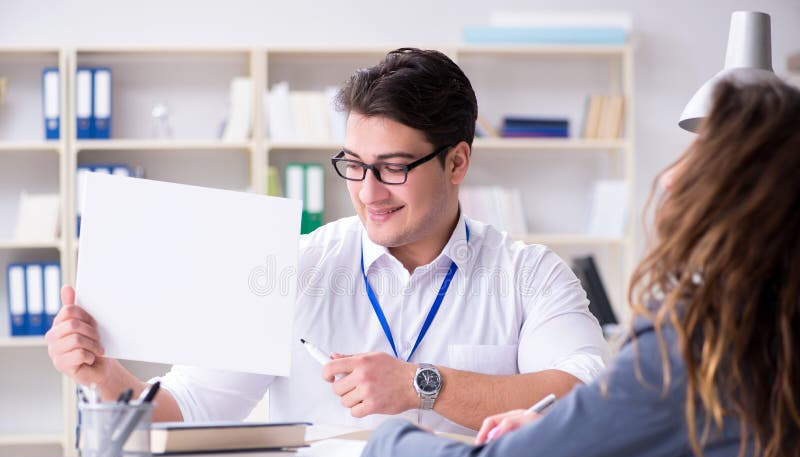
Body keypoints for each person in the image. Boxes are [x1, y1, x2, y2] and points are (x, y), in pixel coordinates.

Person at [46, 48, 607, 435]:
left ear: (457, 160)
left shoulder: (528, 274)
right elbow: (188, 408)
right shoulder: (288, 267)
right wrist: (104, 376)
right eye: (354, 165)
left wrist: (422, 385)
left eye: (392, 168)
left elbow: (590, 393)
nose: (368, 192)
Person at [353, 77, 800, 457]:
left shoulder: (688, 351)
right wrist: (562, 438)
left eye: (702, 154)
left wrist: (384, 438)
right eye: (354, 164)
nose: (669, 176)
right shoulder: (771, 327)